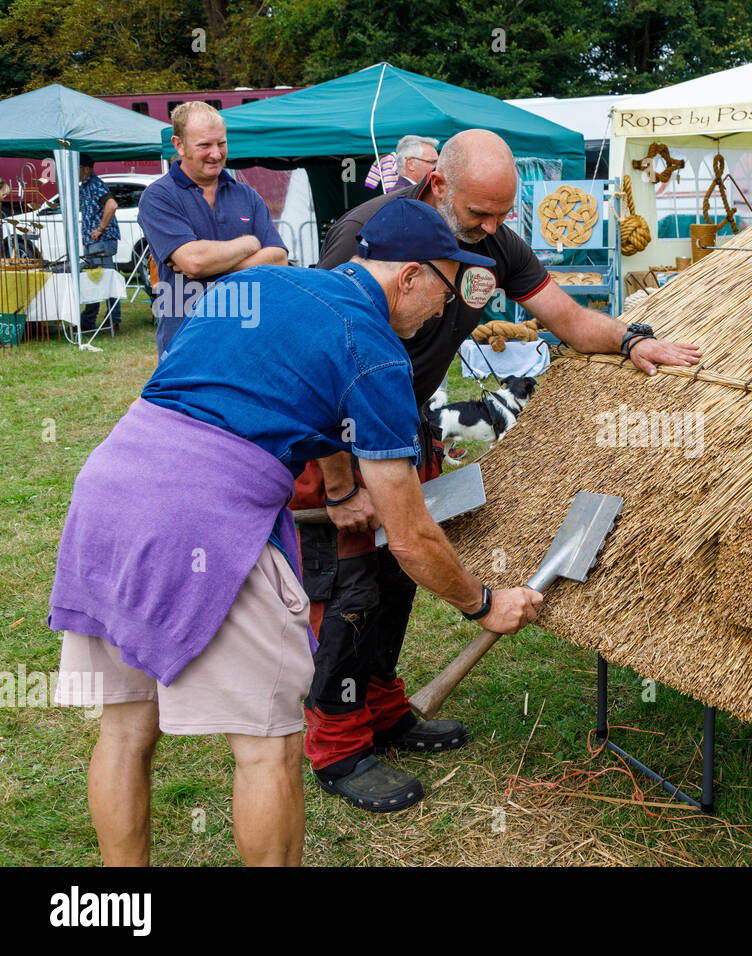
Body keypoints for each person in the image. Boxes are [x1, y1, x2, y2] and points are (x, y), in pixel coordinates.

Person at [49, 199, 542, 864]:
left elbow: (284, 391)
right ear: (411, 277)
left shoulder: (260, 282)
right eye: (449, 291)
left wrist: (339, 489)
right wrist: (483, 602)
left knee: (126, 728)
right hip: (200, 516)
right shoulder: (376, 354)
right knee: (268, 744)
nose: (446, 311)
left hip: (110, 485)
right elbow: (411, 537)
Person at [296, 128, 702, 811]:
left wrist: (634, 339)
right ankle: (337, 747)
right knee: (349, 591)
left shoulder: (496, 243)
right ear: (437, 187)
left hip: (400, 422)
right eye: (478, 215)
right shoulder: (367, 232)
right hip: (333, 432)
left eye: (500, 215)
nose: (491, 230)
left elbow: (568, 318)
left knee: (397, 575)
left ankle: (387, 711)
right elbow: (317, 359)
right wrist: (339, 485)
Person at [137, 101, 287, 357]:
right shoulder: (159, 196)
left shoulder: (246, 194)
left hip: (248, 340)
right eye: (205, 145)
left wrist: (211, 264)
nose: (216, 154)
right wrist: (250, 245)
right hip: (187, 344)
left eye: (222, 143)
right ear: (179, 145)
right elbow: (194, 262)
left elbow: (279, 259)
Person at [77, 158, 122, 332]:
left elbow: (111, 205)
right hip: (94, 242)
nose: (76, 172)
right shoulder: (85, 186)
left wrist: (100, 229)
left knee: (106, 281)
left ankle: (113, 320)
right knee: (93, 282)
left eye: (78, 168)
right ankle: (89, 320)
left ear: (86, 169)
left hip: (101, 241)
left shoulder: (96, 184)